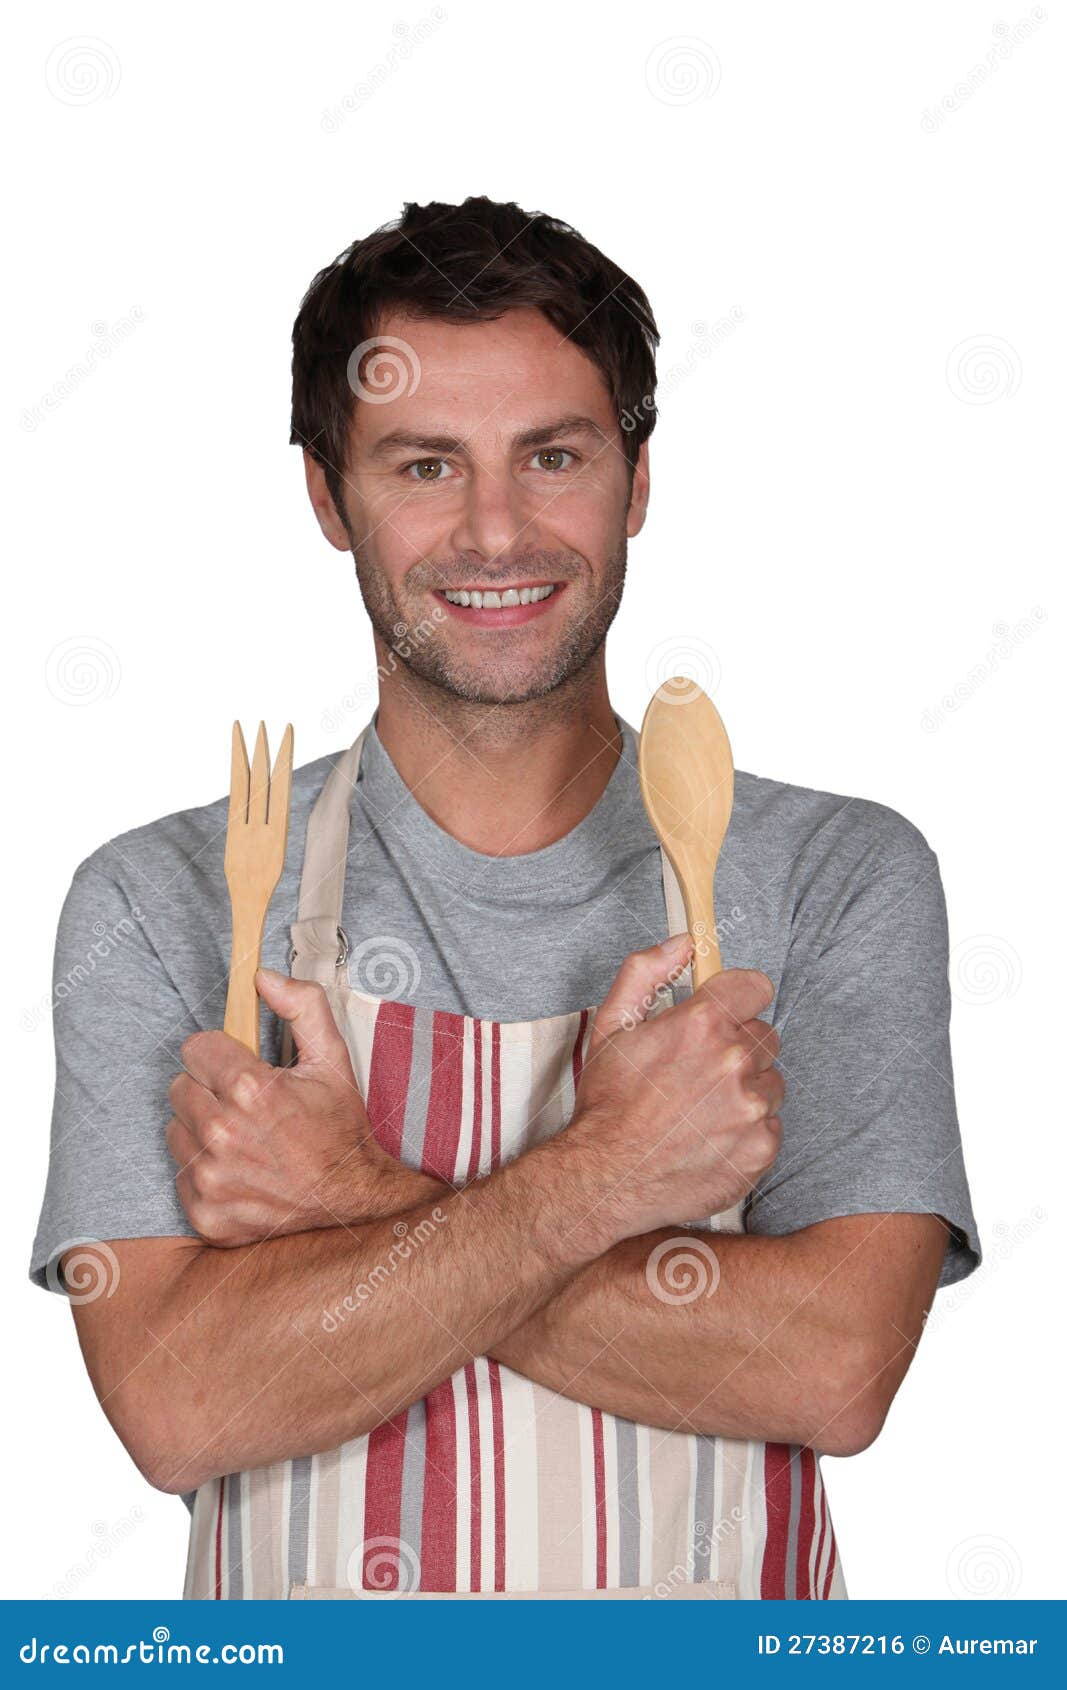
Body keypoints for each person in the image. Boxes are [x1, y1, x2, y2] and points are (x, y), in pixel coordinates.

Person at [31, 196, 981, 1601]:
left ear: (636, 478)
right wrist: (606, 1180)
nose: (496, 530)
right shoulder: (164, 899)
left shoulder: (829, 874)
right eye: (425, 464)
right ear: (324, 492)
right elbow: (182, 1404)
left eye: (554, 456)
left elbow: (834, 1370)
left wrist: (354, 1200)